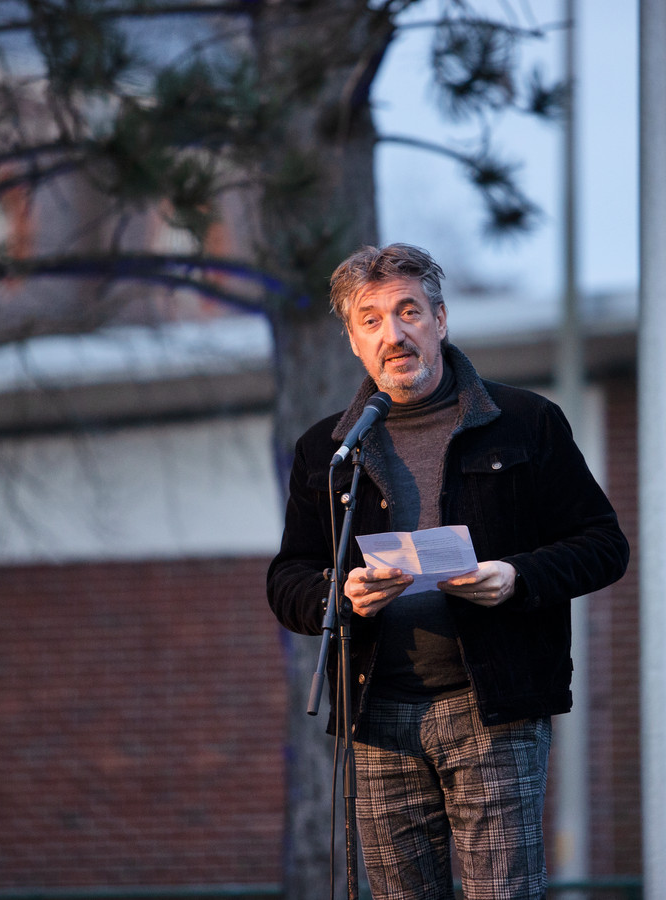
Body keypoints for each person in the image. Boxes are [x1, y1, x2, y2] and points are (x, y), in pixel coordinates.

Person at [266, 243, 629, 900]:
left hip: (492, 708)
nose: (394, 333)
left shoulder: (524, 422)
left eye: (408, 312)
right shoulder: (329, 448)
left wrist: (515, 577)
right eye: (371, 320)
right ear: (353, 340)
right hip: (376, 717)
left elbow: (603, 545)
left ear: (440, 319)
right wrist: (338, 594)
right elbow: (289, 577)